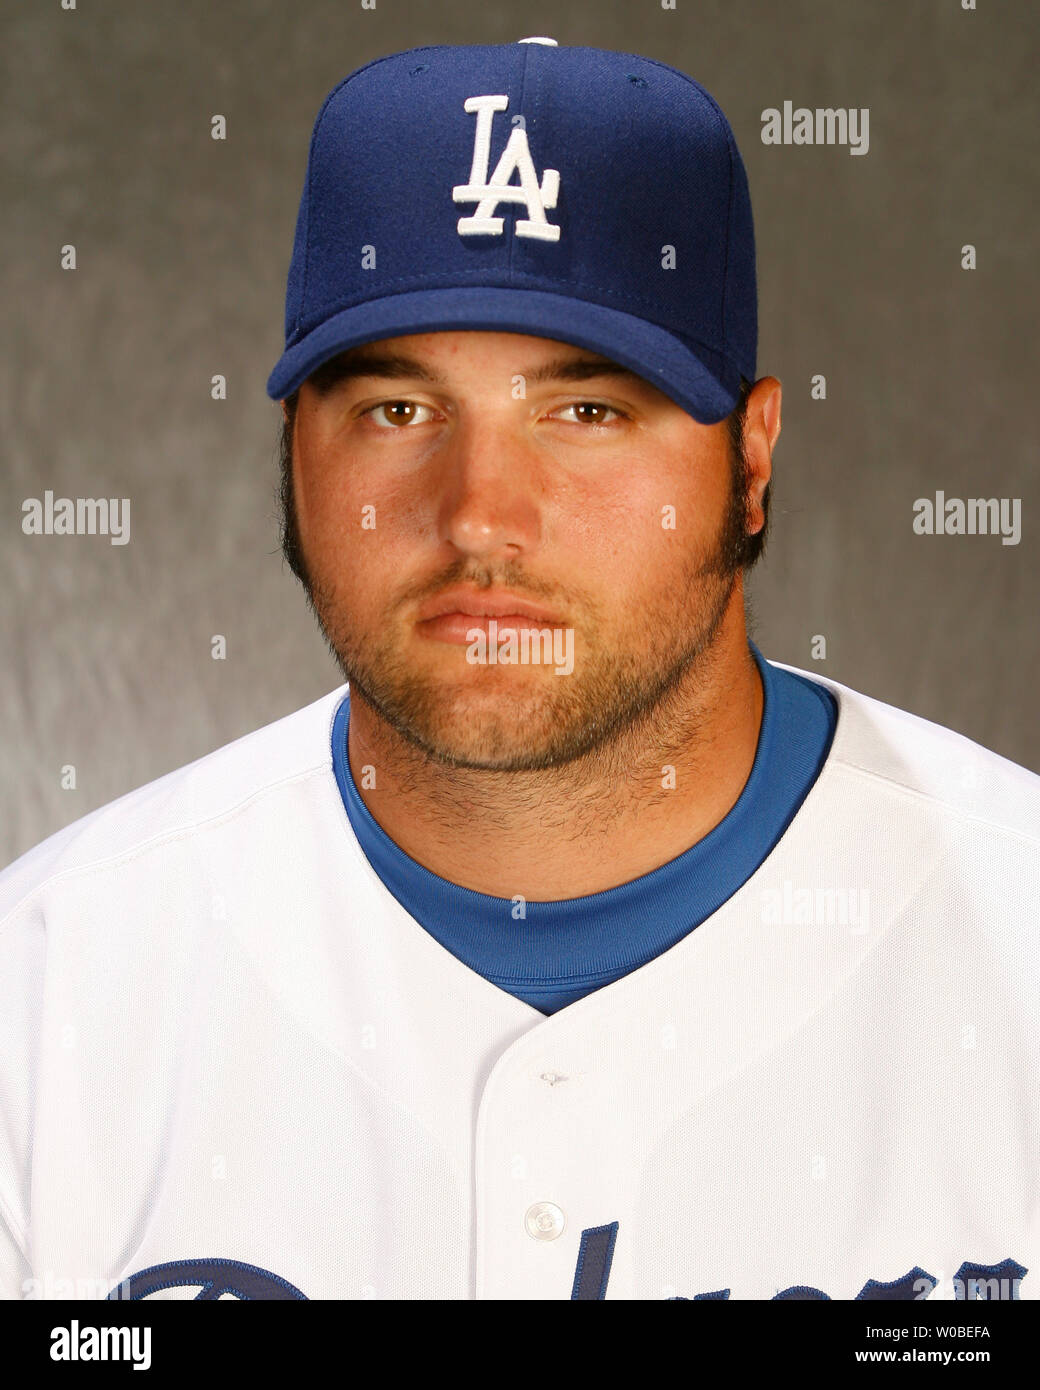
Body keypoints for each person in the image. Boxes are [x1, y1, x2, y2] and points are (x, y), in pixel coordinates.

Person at [1, 39, 1036, 1303]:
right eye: (397, 411)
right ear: (293, 452)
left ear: (751, 456)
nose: (482, 515)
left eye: (586, 411)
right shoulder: (47, 989)